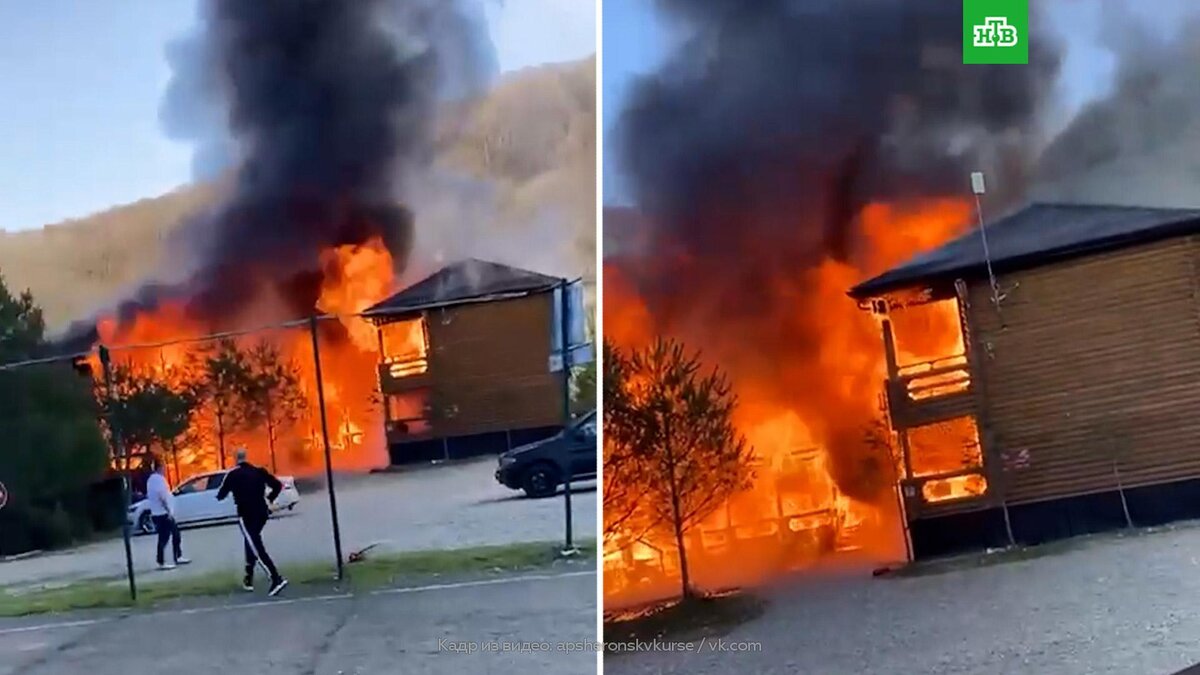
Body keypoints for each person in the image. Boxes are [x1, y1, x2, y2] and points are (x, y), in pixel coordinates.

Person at [217, 448, 289, 596]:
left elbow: (221, 495)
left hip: (246, 515)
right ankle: (248, 578)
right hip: (262, 513)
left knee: (255, 545)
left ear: (235, 459)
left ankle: (276, 577)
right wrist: (269, 498)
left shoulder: (233, 475)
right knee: (251, 541)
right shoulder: (258, 471)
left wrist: (228, 491)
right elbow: (278, 485)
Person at [146, 459, 191, 570]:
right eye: (163, 467)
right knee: (165, 537)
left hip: (159, 513)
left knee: (174, 534)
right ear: (159, 468)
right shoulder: (158, 480)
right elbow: (162, 496)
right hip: (162, 513)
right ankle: (162, 561)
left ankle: (177, 556)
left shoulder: (151, 480)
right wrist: (168, 510)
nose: (165, 470)